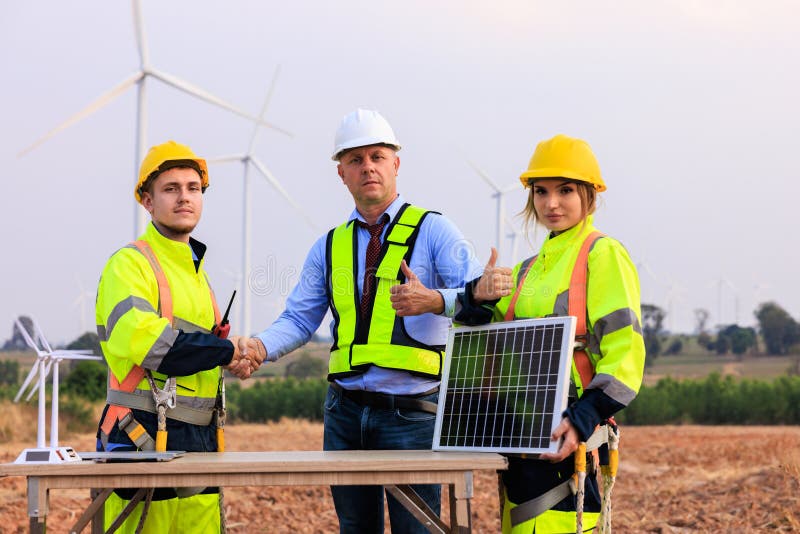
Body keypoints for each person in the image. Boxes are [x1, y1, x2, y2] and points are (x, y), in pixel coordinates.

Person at [246, 109, 498, 533]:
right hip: (343, 413)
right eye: (356, 159)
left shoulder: (435, 231)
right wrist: (258, 347)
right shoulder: (329, 245)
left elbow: (482, 301)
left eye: (377, 157)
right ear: (341, 172)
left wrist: (434, 300)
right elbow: (297, 318)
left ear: (395, 164)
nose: (368, 167)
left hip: (412, 416)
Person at [458, 134, 645, 533]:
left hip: (566, 440)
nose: (551, 203)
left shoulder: (603, 254)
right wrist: (476, 299)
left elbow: (624, 351)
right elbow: (489, 341)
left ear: (590, 195)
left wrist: (583, 418)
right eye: (541, 192)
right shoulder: (526, 269)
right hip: (517, 436)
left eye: (565, 191)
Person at [94, 140, 262, 533]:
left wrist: (236, 356)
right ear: (148, 202)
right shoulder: (129, 265)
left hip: (202, 439)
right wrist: (226, 351)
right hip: (141, 434)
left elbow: (206, 355)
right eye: (171, 189)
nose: (184, 197)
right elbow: (156, 347)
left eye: (193, 188)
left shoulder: (198, 277)